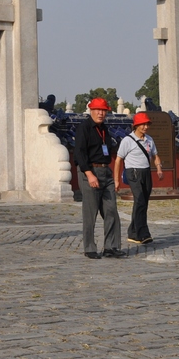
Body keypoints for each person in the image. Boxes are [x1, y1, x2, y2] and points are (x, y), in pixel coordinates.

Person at [74, 97, 123, 259]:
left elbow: (111, 150)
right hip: (90, 171)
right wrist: (89, 174)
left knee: (111, 210)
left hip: (105, 171)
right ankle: (89, 248)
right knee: (90, 212)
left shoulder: (104, 129)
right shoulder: (84, 128)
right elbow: (79, 153)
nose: (101, 113)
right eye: (98, 110)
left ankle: (111, 246)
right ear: (91, 110)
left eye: (104, 110)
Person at [115, 111, 164, 245]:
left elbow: (155, 155)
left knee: (143, 202)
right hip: (133, 172)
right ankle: (142, 233)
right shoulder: (127, 140)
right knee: (140, 200)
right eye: (142, 124)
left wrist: (159, 168)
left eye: (147, 124)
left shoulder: (149, 139)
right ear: (136, 125)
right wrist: (116, 180)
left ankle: (133, 232)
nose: (145, 127)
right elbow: (118, 160)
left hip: (146, 172)